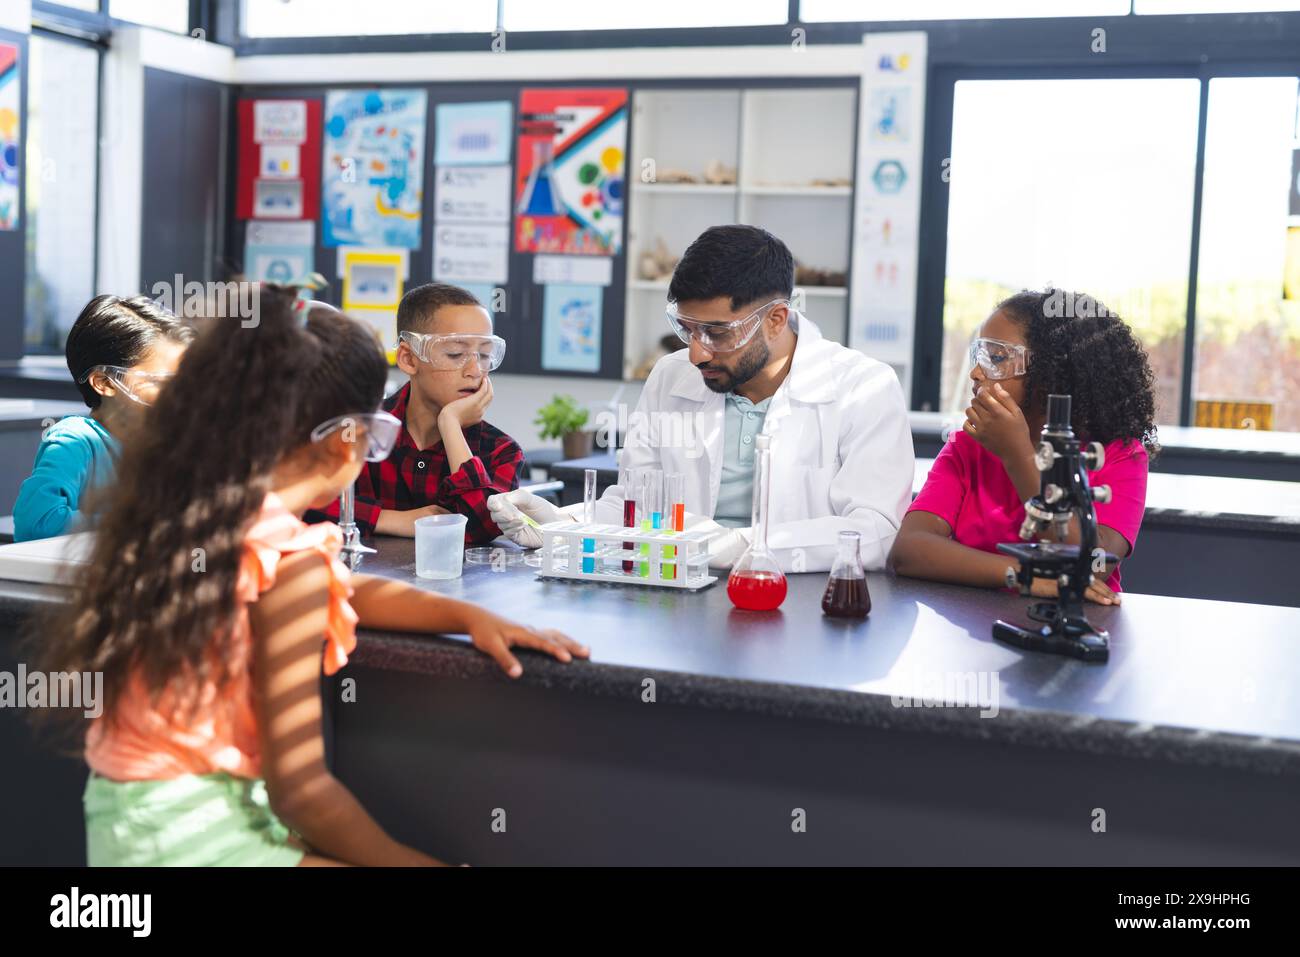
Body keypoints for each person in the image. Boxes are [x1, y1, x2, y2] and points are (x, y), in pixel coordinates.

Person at [34, 284, 586, 867]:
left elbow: (342, 587)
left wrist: (465, 615)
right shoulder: (284, 560)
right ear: (348, 440)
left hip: (130, 821)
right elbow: (302, 794)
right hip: (194, 839)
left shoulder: (201, 515)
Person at [488, 225, 915, 572]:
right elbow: (637, 502)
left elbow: (874, 532)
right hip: (676, 593)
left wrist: (742, 547)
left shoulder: (864, 387)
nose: (697, 352)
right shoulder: (672, 375)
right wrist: (562, 525)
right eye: (688, 329)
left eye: (717, 332)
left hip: (800, 601)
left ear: (775, 319)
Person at [889, 289, 1156, 603]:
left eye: (997, 358)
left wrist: (1017, 456)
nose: (976, 373)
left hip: (1075, 632)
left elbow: (1091, 561)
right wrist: (1025, 576)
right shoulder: (968, 446)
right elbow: (908, 551)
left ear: (1052, 374)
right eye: (980, 355)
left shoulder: (1120, 455)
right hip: (974, 632)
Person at [313, 283, 524, 546]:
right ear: (409, 359)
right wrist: (392, 519)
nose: (474, 370)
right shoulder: (359, 429)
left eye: (484, 355)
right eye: (455, 353)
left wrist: (450, 425)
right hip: (365, 582)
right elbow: (302, 499)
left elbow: (483, 526)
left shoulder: (501, 451)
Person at [13, 295, 192, 541]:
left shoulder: (169, 445)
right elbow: (36, 523)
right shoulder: (77, 441)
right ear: (105, 382)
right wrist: (136, 522)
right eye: (161, 382)